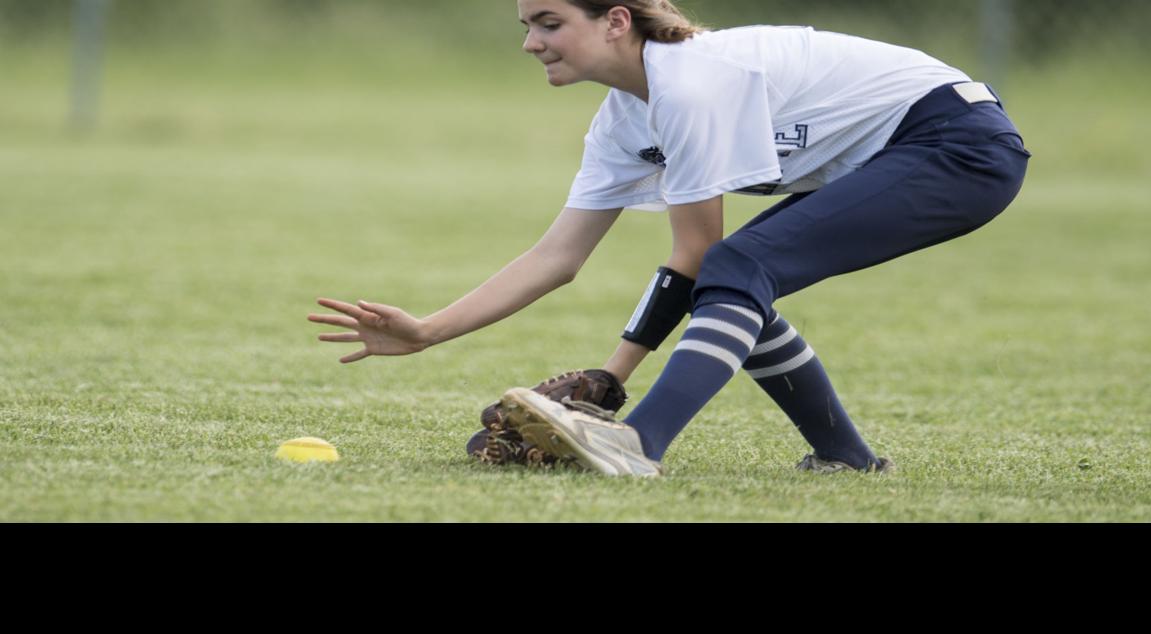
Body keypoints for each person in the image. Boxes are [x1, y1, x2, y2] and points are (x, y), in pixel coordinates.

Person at [310, 0, 1030, 477]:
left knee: (734, 267)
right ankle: (844, 455)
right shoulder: (625, 119)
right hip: (900, 151)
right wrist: (427, 331)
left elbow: (695, 256)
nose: (530, 42)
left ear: (616, 21)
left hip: (956, 144)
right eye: (526, 25)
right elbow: (557, 258)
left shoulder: (689, 82)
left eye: (549, 22)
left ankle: (639, 445)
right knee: (740, 283)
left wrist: (610, 383)